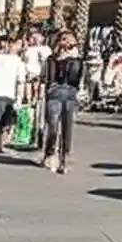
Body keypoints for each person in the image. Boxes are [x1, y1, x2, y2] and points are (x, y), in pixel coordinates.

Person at [42, 32, 85, 174]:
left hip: (70, 94)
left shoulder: (77, 60)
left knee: (67, 128)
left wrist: (72, 57)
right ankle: (50, 153)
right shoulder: (52, 59)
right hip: (54, 93)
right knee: (52, 126)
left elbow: (77, 78)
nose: (65, 43)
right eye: (63, 40)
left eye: (69, 40)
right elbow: (47, 76)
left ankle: (64, 158)